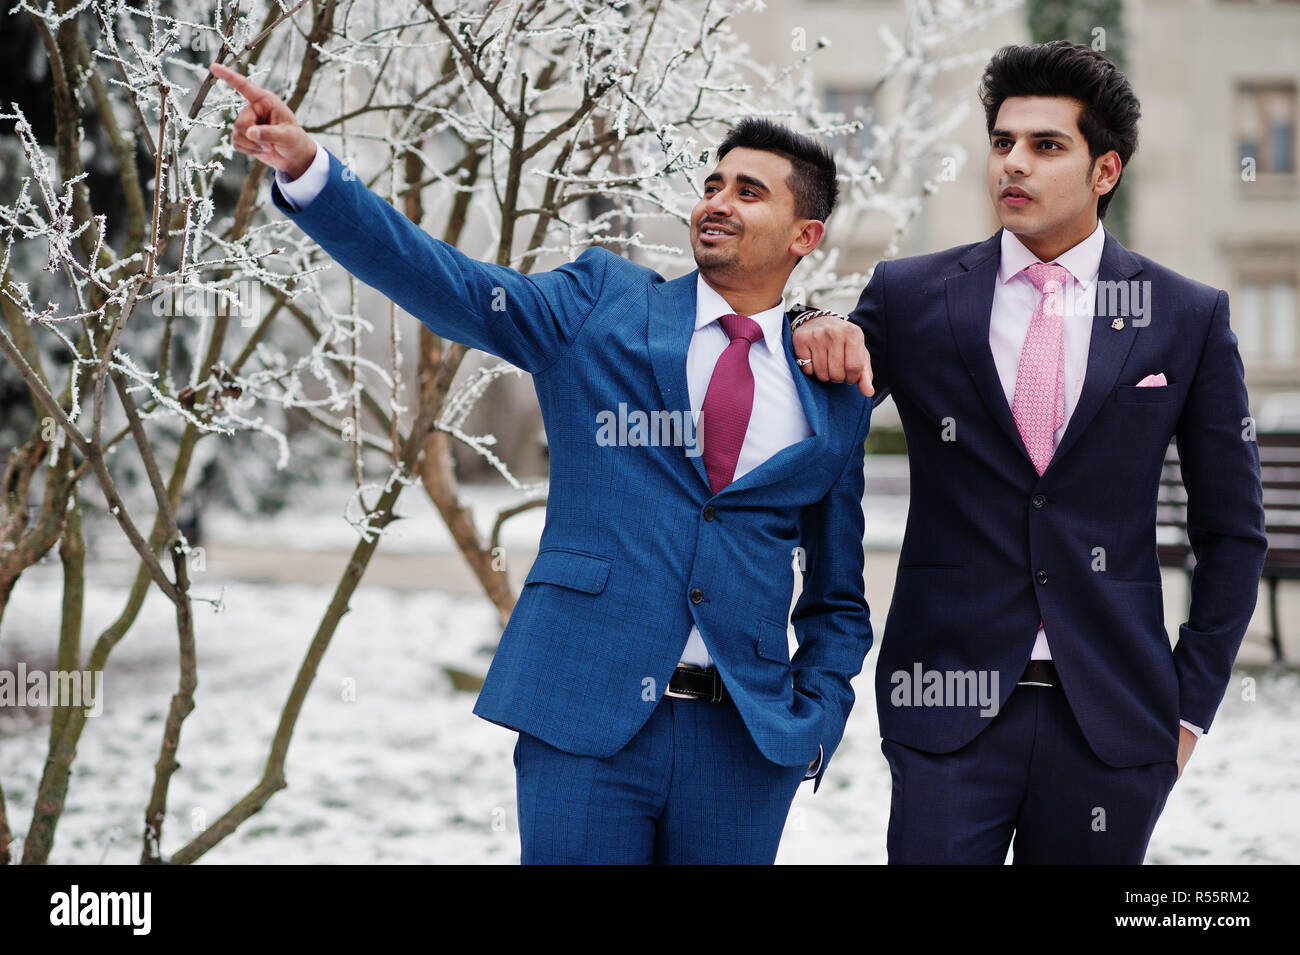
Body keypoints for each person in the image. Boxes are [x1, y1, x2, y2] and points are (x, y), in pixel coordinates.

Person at [209, 61, 874, 865]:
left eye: (749, 192)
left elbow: (840, 597)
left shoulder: (831, 392)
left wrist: (817, 715)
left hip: (743, 747)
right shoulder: (603, 304)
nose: (716, 202)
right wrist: (315, 175)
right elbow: (452, 284)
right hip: (582, 723)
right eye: (713, 182)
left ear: (806, 236)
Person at [792, 40, 1267, 864]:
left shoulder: (1183, 315)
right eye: (1003, 142)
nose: (1014, 163)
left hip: (1114, 721)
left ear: (1104, 171)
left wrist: (1188, 708)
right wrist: (808, 322)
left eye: (1047, 146)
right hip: (946, 707)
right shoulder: (911, 296)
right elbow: (824, 381)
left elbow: (1233, 532)